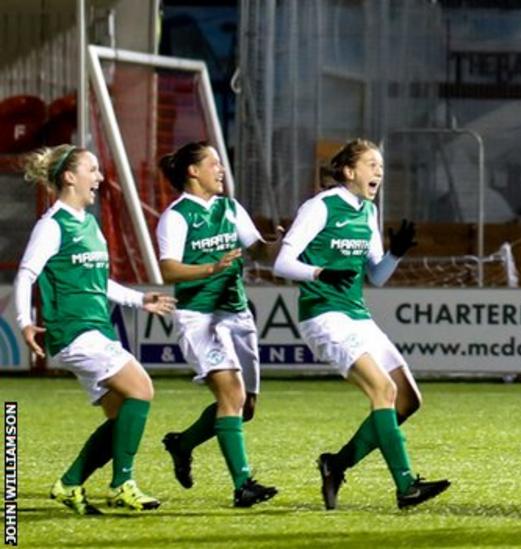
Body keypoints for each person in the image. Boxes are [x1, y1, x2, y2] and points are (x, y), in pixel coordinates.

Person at [272, 138, 450, 510]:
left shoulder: (368, 212)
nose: (379, 172)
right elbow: (282, 264)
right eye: (372, 164)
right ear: (349, 171)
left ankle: (335, 465)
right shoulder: (320, 207)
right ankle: (405, 486)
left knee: (408, 400)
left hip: (357, 314)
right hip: (323, 316)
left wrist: (395, 254)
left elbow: (376, 276)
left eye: (381, 166)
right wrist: (321, 270)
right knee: (383, 391)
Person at [15, 144, 176, 513]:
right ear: (70, 176)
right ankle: (123, 484)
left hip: (97, 329)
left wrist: (140, 300)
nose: (100, 178)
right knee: (142, 388)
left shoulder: (89, 224)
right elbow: (27, 275)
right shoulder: (52, 225)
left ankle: (69, 484)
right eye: (93, 169)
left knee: (121, 415)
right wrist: (25, 323)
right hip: (74, 331)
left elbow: (99, 280)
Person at [155, 142, 279, 508]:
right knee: (231, 396)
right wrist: (210, 268)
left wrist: (278, 244)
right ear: (193, 171)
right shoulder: (176, 216)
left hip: (236, 313)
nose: (221, 169)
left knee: (246, 407)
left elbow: (256, 250)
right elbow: (167, 268)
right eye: (214, 163)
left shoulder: (230, 207)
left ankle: (182, 443)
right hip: (199, 317)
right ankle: (244, 485)